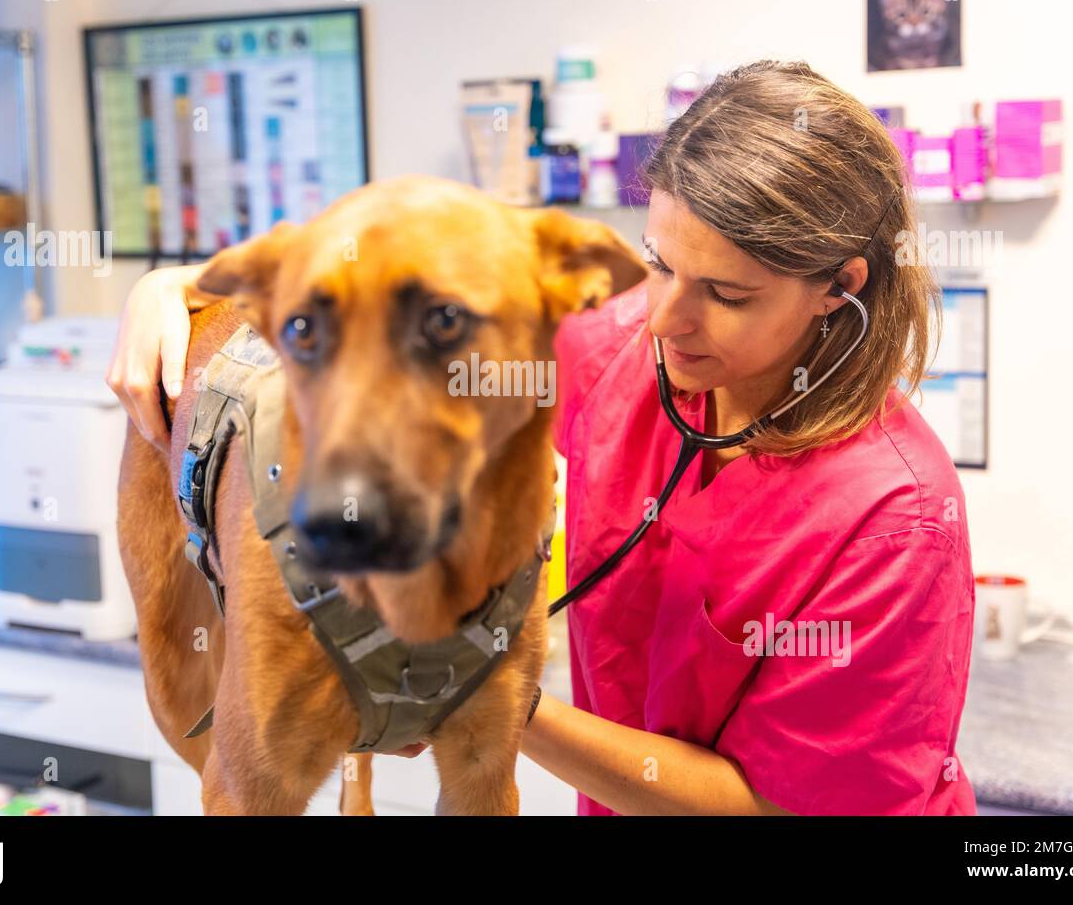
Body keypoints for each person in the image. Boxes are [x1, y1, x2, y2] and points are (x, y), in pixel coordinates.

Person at [108, 60, 976, 816]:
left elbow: (780, 809)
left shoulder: (898, 520)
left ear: (839, 286)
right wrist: (175, 287)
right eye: (662, 261)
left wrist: (481, 693)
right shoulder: (618, 354)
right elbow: (405, 298)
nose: (664, 317)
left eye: (727, 293)